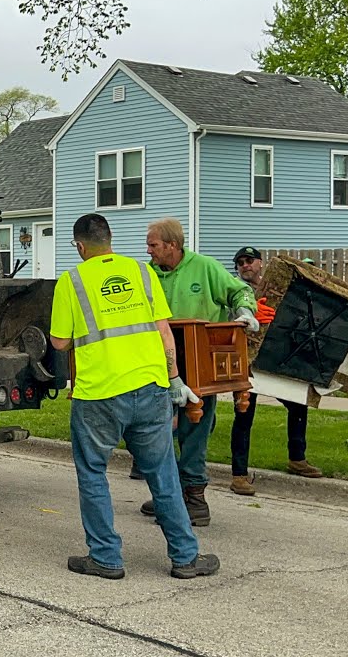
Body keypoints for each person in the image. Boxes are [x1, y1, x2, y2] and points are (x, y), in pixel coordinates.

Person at [50, 213, 220, 580]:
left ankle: (106, 558)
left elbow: (60, 342)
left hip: (99, 395)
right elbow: (164, 331)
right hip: (150, 388)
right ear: (110, 239)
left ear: (80, 246)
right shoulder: (143, 273)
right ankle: (186, 557)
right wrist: (174, 378)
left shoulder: (71, 281)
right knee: (164, 473)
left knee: (93, 473)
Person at [139, 218, 258, 527]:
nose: (148, 250)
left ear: (172, 246)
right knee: (158, 431)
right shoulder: (147, 274)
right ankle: (170, 492)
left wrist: (246, 311)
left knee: (194, 430)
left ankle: (195, 497)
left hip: (197, 361)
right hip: (158, 362)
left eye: (153, 244)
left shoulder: (204, 268)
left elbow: (239, 291)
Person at [228, 247, 323, 495]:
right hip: (248, 363)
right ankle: (239, 474)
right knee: (244, 413)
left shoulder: (280, 288)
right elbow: (229, 318)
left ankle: (297, 458)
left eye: (249, 261)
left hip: (276, 359)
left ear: (261, 263)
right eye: (240, 263)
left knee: (297, 405)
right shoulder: (236, 290)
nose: (244, 265)